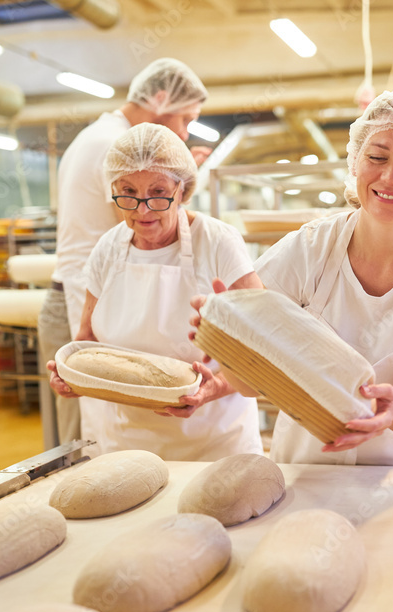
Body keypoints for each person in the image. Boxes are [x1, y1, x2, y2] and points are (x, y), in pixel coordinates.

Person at [195, 90, 393, 466]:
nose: (391, 176)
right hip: (306, 469)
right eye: (377, 157)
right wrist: (224, 342)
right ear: (355, 162)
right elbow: (252, 384)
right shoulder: (306, 251)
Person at [46, 123, 263, 460]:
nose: (142, 210)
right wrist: (71, 377)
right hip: (125, 444)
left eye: (158, 193)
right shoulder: (108, 248)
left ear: (182, 189)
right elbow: (87, 341)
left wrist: (214, 388)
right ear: (113, 188)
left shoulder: (218, 242)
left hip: (214, 443)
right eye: (128, 192)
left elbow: (265, 347)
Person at [38, 58, 210, 448]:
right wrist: (177, 184)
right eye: (185, 119)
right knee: (87, 428)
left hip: (83, 287)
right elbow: (142, 220)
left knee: (89, 424)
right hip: (82, 294)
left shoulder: (101, 134)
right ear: (161, 100)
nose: (184, 132)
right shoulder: (114, 146)